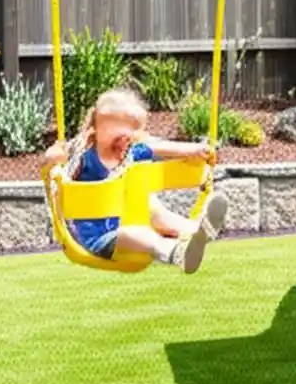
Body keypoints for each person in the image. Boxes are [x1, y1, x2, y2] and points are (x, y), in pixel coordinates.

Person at [42, 88, 228, 274]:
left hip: (129, 221)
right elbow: (56, 163)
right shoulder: (84, 158)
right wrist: (52, 161)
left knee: (152, 207)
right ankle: (176, 253)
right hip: (103, 238)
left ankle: (198, 231)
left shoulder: (131, 153)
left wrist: (194, 150)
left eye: (130, 134)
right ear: (96, 129)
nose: (125, 140)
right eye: (117, 133)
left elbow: (159, 147)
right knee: (139, 233)